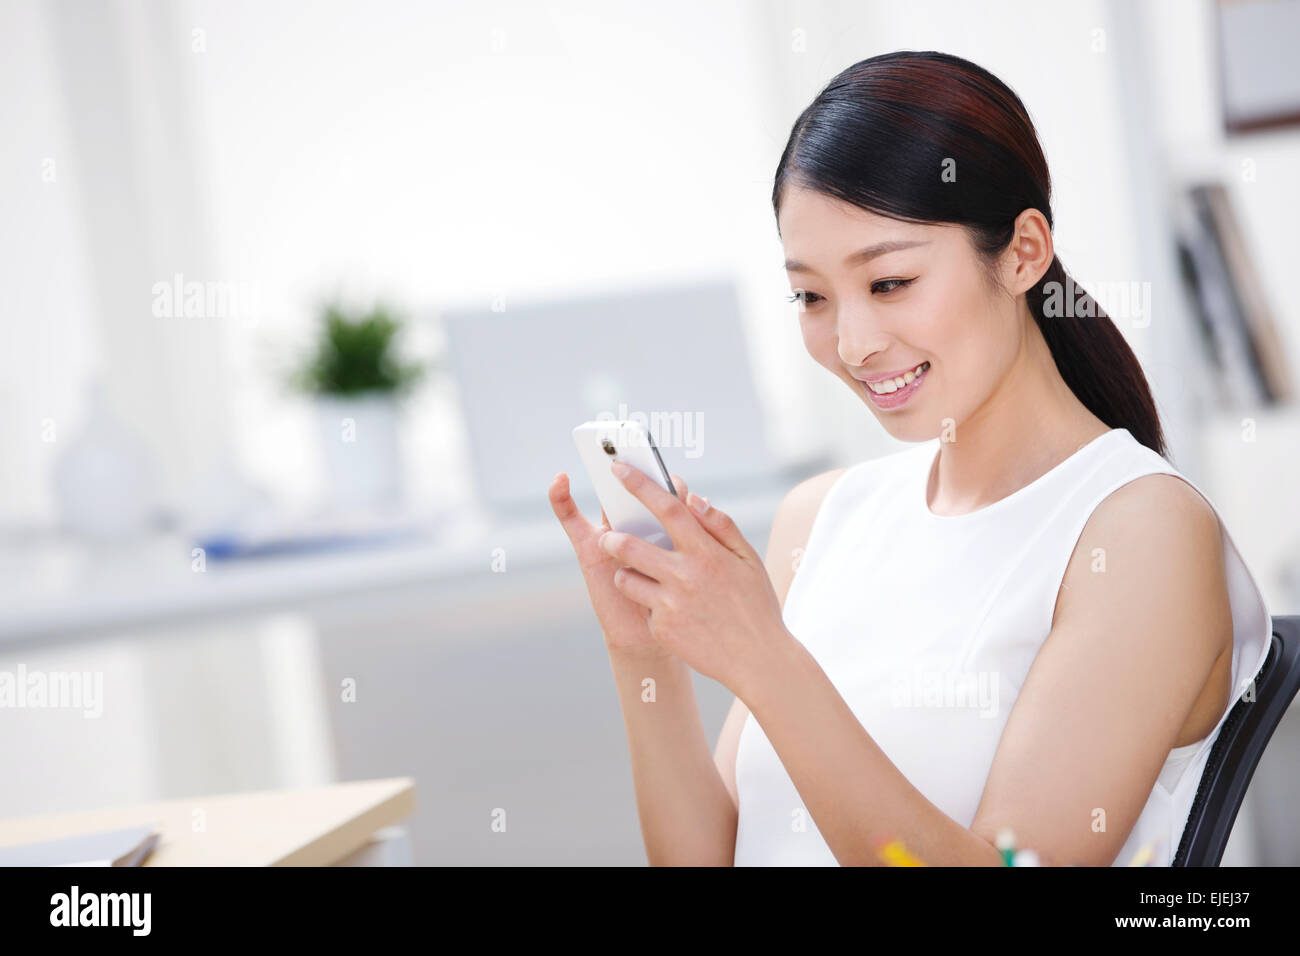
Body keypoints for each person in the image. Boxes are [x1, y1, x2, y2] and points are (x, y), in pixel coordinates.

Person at [547, 51, 1272, 866]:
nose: (852, 343)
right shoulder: (818, 519)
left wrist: (765, 660)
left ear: (1025, 252)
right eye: (811, 297)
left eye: (889, 282)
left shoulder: (1140, 534)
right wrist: (644, 657)